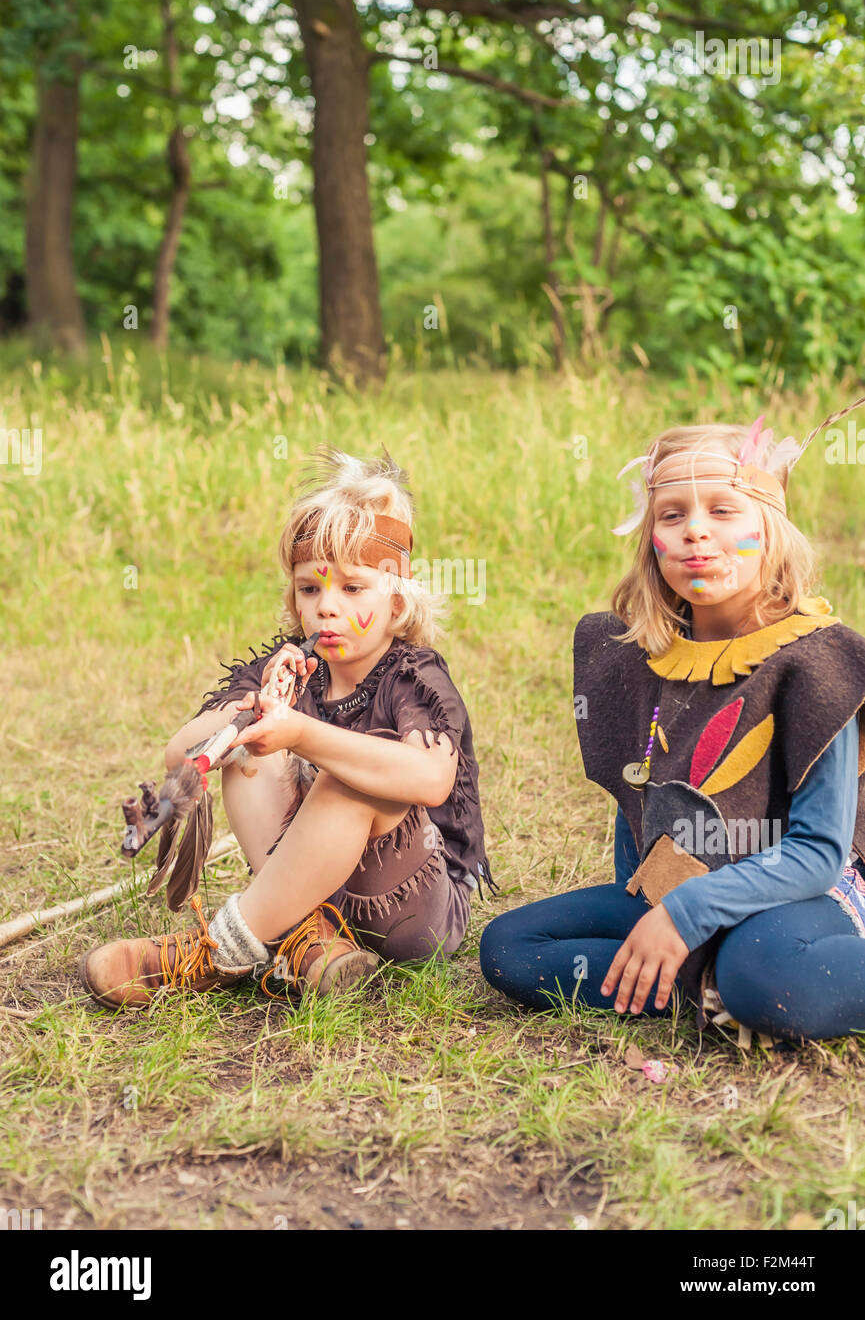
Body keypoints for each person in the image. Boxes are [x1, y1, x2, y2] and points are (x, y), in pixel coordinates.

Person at [480, 411, 865, 1043]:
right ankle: (698, 981)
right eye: (672, 515)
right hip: (685, 894)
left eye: (722, 511)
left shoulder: (815, 660)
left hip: (799, 899)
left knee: (764, 975)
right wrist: (666, 910)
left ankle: (733, 982)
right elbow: (643, 807)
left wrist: (687, 913)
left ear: (769, 530)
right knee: (511, 946)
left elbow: (817, 856)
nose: (695, 534)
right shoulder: (636, 658)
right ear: (651, 539)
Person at [80, 449, 491, 1010]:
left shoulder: (413, 673)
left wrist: (301, 733)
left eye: (352, 589)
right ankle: (311, 941)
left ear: (397, 597)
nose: (327, 608)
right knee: (248, 750)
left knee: (350, 779)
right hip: (322, 890)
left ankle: (214, 952)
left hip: (415, 907)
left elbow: (430, 780)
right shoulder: (288, 666)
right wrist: (253, 711)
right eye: (310, 589)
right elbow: (180, 752)